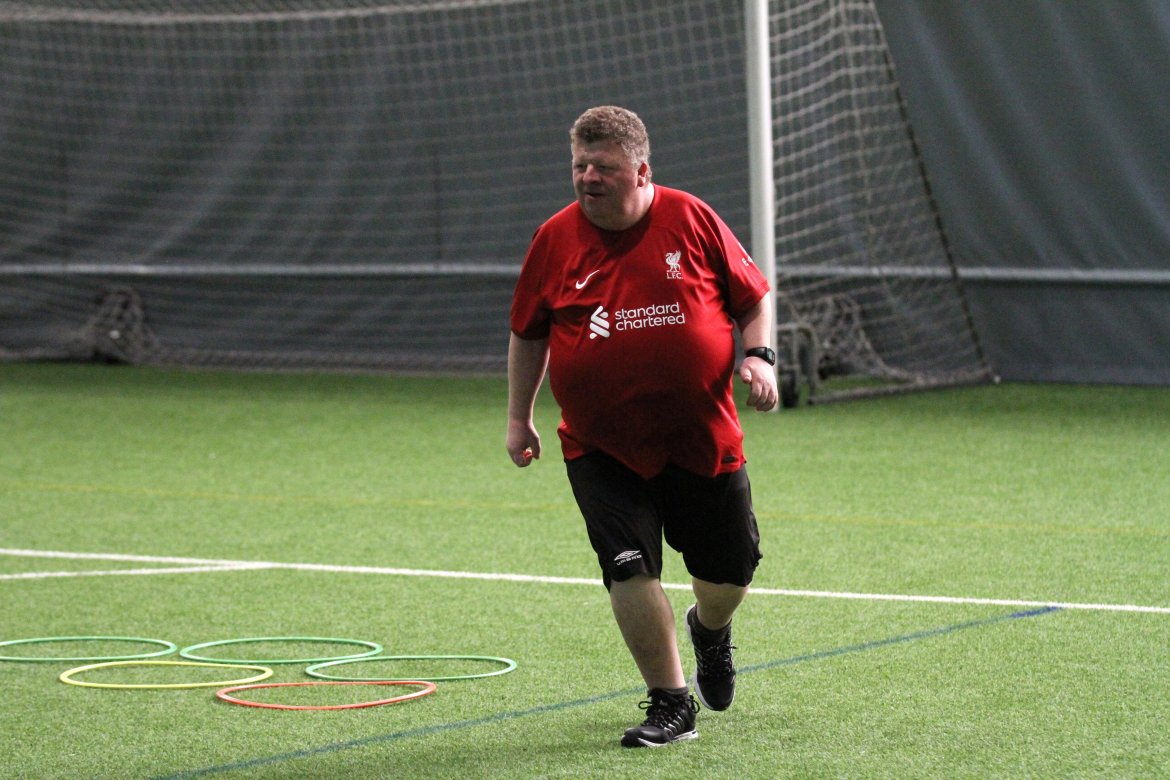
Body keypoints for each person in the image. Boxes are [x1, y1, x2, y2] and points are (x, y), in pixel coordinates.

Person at [506, 105, 778, 748]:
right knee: (628, 567)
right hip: (601, 445)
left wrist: (759, 356)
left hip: (700, 438)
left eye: (604, 166)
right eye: (579, 164)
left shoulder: (691, 217)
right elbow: (527, 332)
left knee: (729, 576)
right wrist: (519, 417)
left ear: (641, 170)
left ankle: (709, 630)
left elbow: (753, 297)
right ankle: (670, 701)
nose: (588, 177)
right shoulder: (554, 239)